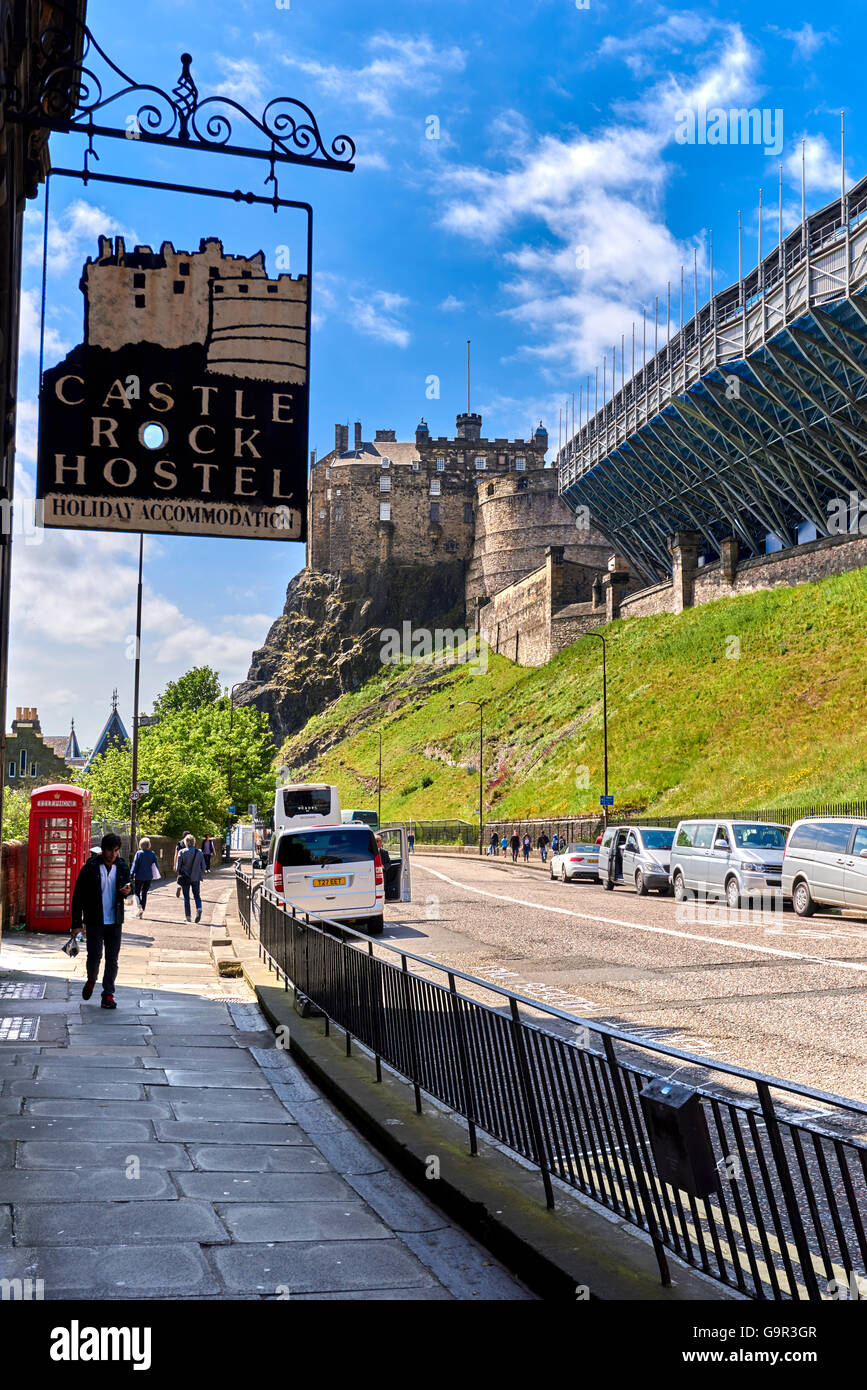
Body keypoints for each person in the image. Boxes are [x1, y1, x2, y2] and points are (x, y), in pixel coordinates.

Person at [71, 832, 132, 1010]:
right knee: (95, 955)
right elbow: (78, 897)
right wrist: (76, 923)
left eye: (116, 850)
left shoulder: (122, 866)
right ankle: (91, 979)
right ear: (102, 850)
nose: (113, 854)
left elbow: (130, 886)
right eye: (109, 850)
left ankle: (108, 994)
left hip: (115, 921)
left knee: (112, 959)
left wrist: (129, 890)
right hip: (94, 920)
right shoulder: (89, 868)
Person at [176, 834, 206, 924]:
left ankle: (188, 916)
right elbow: (204, 866)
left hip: (185, 878)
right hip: (196, 877)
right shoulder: (199, 852)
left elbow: (178, 867)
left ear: (185, 842)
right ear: (194, 842)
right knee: (197, 895)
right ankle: (199, 908)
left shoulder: (181, 852)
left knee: (186, 898)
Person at [130, 836, 159, 918]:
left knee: (136, 893)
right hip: (149, 876)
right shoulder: (152, 853)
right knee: (144, 893)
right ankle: (142, 909)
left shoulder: (139, 853)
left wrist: (131, 874)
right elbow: (155, 865)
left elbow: (135, 865)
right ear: (149, 845)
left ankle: (139, 908)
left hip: (139, 876)